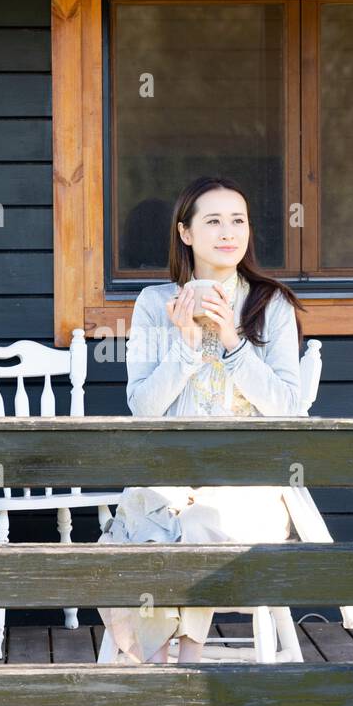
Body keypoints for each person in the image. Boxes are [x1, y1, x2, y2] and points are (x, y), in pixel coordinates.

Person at [97, 176, 308, 663]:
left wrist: (232, 341)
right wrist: (187, 346)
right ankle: (151, 658)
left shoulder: (269, 305)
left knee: (195, 525)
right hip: (169, 476)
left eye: (238, 220)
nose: (228, 231)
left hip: (249, 483)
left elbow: (287, 407)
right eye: (212, 221)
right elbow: (143, 408)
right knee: (147, 535)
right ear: (186, 233)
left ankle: (183, 660)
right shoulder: (155, 304)